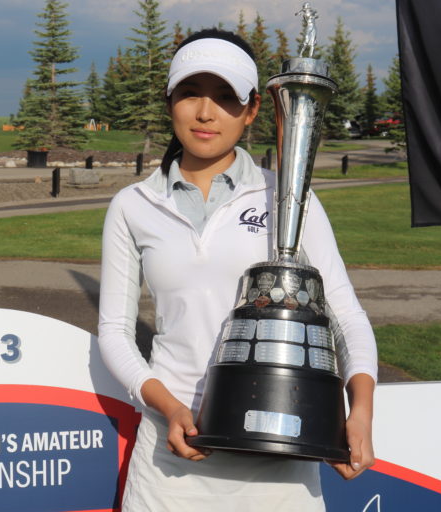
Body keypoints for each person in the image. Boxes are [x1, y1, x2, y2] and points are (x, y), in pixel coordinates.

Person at [98, 28, 377, 511]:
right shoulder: (134, 205)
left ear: (251, 111)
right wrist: (168, 408)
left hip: (280, 459)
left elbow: (345, 315)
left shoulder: (288, 197)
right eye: (190, 93)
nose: (206, 113)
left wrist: (362, 413)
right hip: (173, 462)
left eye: (226, 97)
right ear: (170, 103)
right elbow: (115, 332)